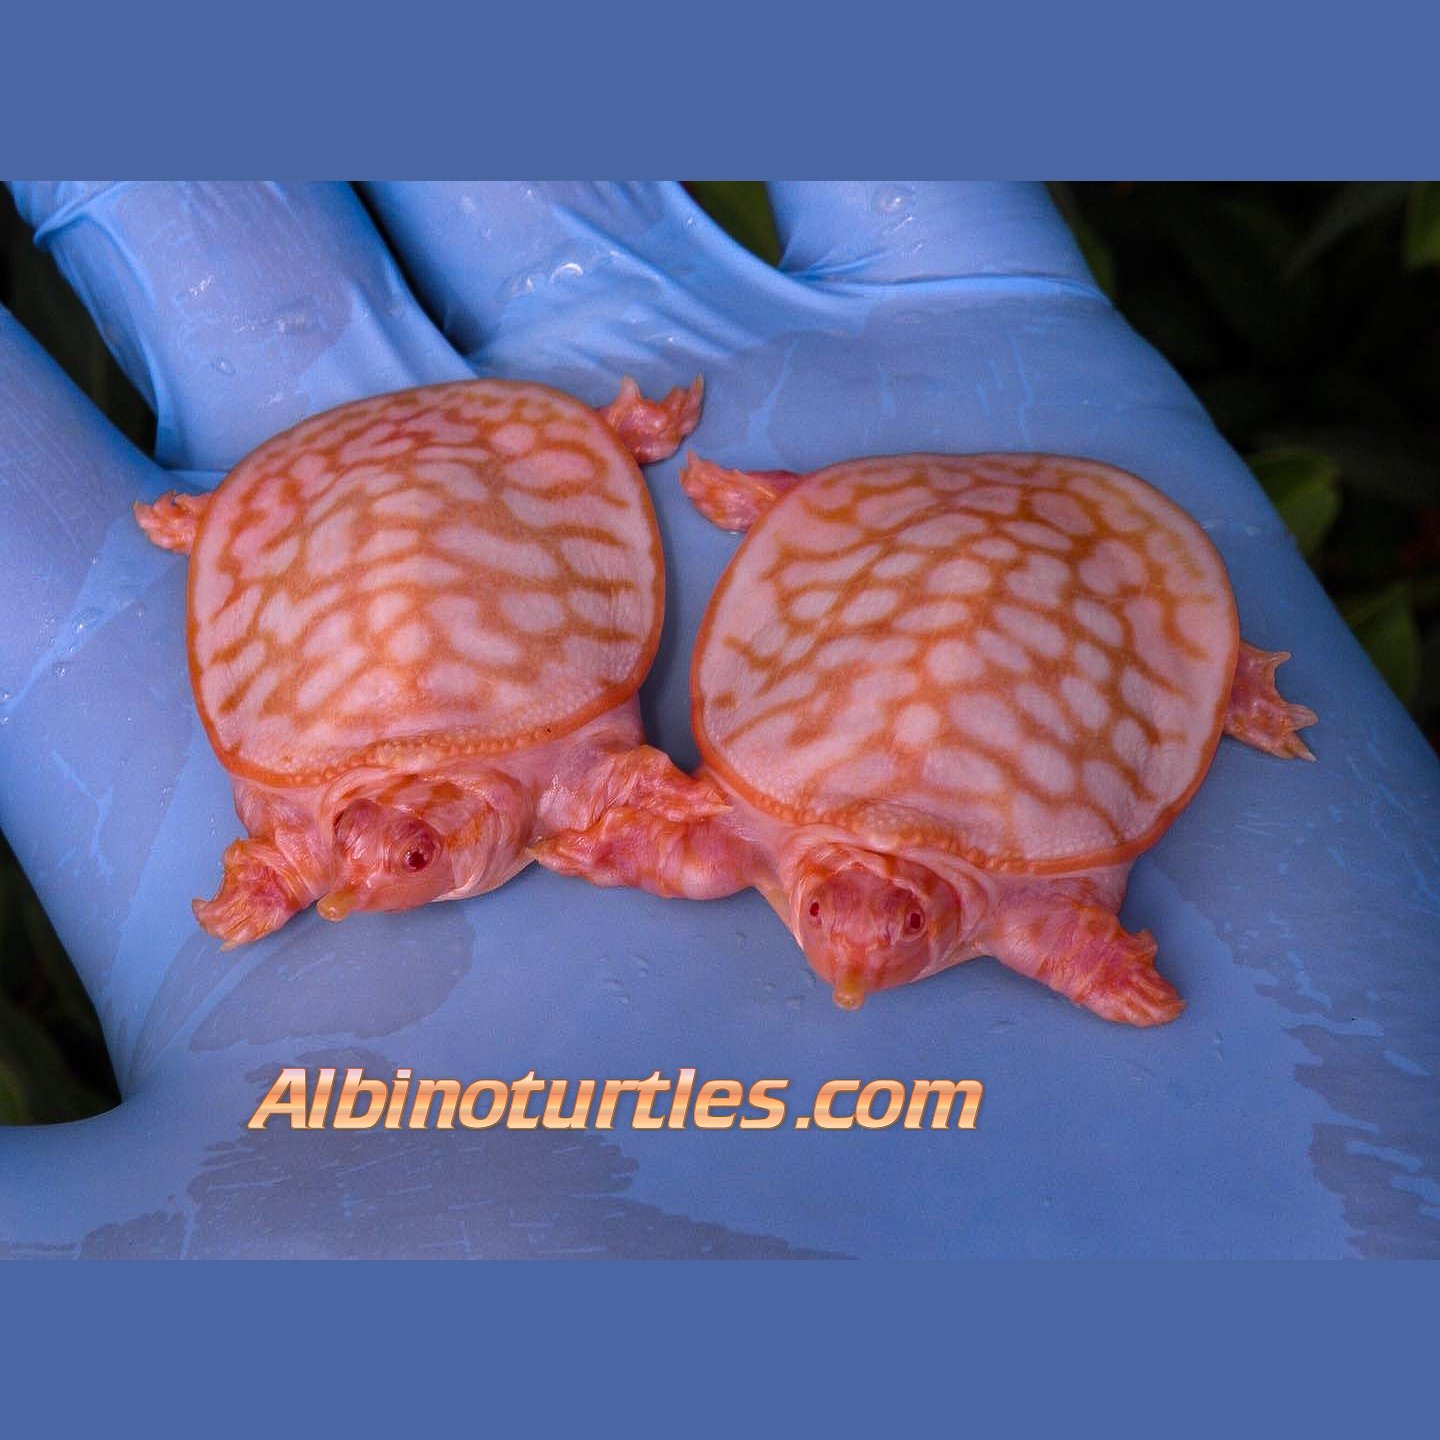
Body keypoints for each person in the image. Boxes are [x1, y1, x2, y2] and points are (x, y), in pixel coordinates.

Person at [0, 182, 1435, 1258]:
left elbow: (683, 820)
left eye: (851, 926)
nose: (851, 963)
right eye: (405, 856)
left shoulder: (797, 833)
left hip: (854, 560)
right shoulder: (564, 793)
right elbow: (642, 805)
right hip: (404, 529)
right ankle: (269, 506)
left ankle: (310, 505)